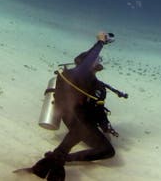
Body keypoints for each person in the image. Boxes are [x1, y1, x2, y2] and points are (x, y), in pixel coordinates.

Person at [29, 30, 126, 181]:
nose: (97, 61)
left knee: (107, 150)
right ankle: (57, 160)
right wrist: (100, 43)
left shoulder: (98, 86)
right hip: (73, 117)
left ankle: (60, 158)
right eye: (94, 60)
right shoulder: (75, 74)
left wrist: (106, 126)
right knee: (80, 129)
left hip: (82, 121)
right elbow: (87, 63)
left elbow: (99, 110)